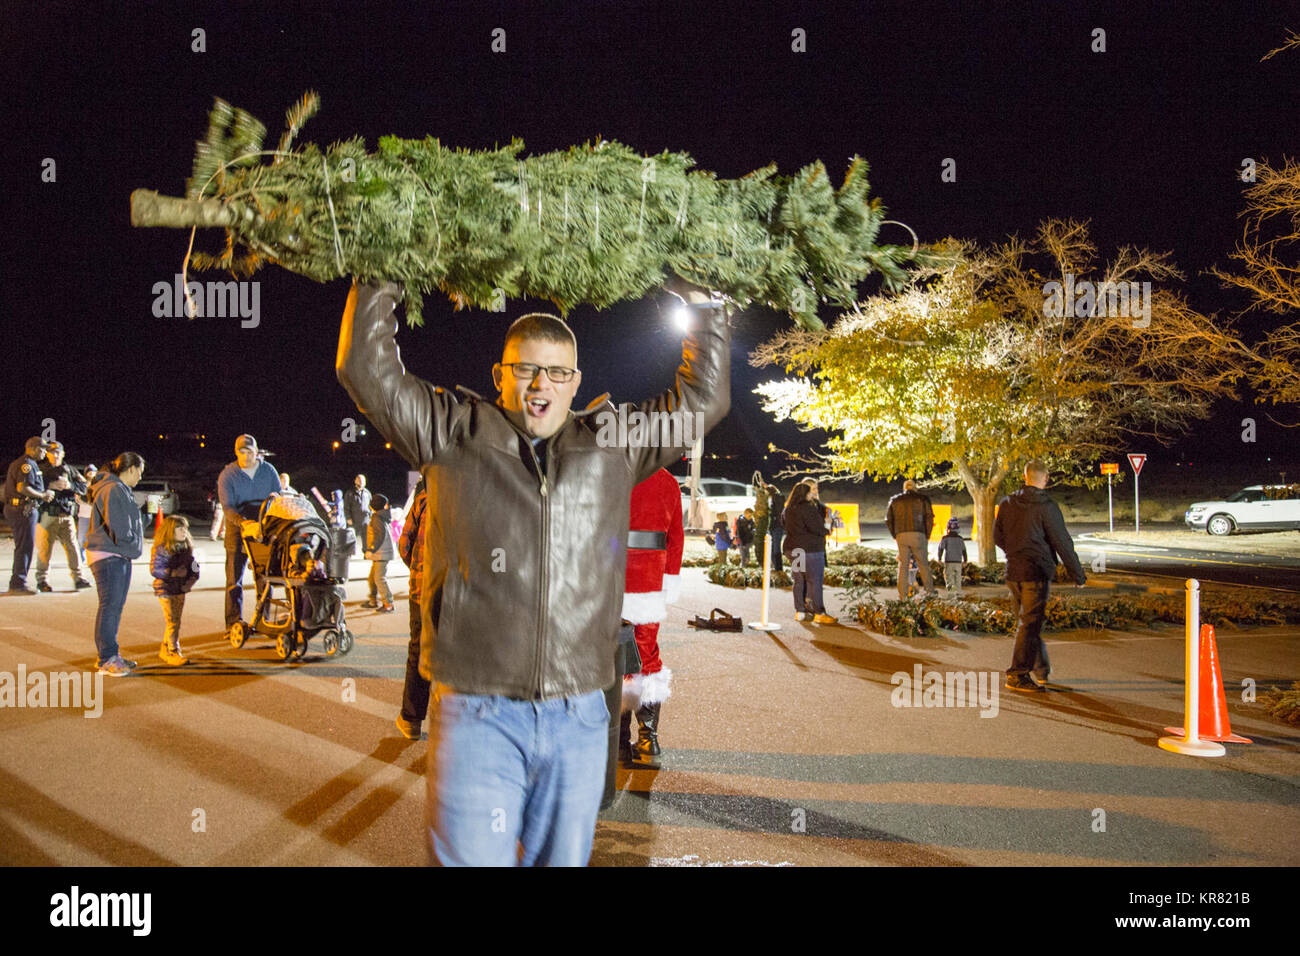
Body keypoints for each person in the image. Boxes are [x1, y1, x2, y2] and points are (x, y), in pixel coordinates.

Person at [336, 273, 728, 867]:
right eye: (525, 369)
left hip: (578, 713)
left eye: (558, 372)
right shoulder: (450, 432)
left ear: (576, 384)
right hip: (476, 709)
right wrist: (385, 269)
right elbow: (366, 371)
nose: (541, 384)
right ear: (500, 376)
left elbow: (702, 402)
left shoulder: (613, 443)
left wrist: (703, 311)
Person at [994, 459, 1087, 692]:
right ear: (1044, 478)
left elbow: (998, 536)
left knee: (1027, 623)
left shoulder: (1007, 502)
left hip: (1013, 570)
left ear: (1025, 477)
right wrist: (1077, 574)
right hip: (1035, 572)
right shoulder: (1047, 506)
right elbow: (1062, 541)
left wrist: (1014, 552)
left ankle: (1040, 667)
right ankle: (1017, 674)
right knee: (1029, 623)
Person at [619, 468, 684, 768]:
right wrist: (669, 578)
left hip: (613, 575)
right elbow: (676, 538)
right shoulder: (667, 481)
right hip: (650, 578)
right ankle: (648, 739)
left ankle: (616, 741)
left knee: (613, 653)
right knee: (645, 652)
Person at [86, 452, 146, 676]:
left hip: (114, 553)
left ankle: (110, 655)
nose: (140, 477)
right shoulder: (114, 489)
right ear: (131, 469)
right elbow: (120, 528)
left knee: (113, 607)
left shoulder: (117, 488)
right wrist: (131, 542)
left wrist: (144, 517)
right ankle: (107, 658)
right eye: (140, 472)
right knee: (110, 608)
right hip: (109, 554)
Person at [218, 434, 281, 634]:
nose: (246, 457)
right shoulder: (228, 475)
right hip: (237, 533)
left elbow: (277, 499)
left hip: (263, 533)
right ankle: (233, 623)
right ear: (236, 453)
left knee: (264, 579)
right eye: (242, 453)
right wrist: (244, 523)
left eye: (250, 452)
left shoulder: (269, 471)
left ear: (257, 452)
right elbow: (227, 507)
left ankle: (264, 620)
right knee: (233, 581)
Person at [395, 478, 431, 739]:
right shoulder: (470, 500)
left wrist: (418, 570)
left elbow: (404, 544)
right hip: (459, 596)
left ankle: (411, 720)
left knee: (418, 652)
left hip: (422, 592)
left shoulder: (423, 501)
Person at [34, 441, 91, 591]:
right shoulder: (40, 470)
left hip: (66, 515)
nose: (55, 455)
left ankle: (79, 578)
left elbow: (84, 487)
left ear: (63, 453)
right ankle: (42, 581)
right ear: (47, 454)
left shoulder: (70, 470)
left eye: (58, 452)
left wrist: (70, 486)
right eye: (52, 452)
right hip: (48, 515)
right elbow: (30, 487)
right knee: (44, 550)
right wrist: (49, 486)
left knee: (73, 548)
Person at [5, 437, 54, 594]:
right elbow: (23, 488)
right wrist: (42, 495)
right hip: (22, 508)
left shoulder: (27, 463)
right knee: (25, 547)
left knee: (23, 546)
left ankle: (18, 581)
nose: (45, 452)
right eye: (43, 448)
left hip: (21, 508)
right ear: (33, 448)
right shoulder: (26, 464)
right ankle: (18, 584)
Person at [783, 482, 835, 624]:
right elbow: (818, 529)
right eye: (810, 492)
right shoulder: (808, 509)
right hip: (811, 549)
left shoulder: (787, 510)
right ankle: (819, 612)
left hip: (794, 549)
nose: (812, 494)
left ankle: (800, 611)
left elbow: (784, 526)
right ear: (805, 494)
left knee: (798, 580)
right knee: (815, 581)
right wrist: (828, 525)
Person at [150, 514, 200, 666]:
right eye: (179, 528)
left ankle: (165, 648)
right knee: (173, 621)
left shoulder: (186, 549)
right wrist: (172, 573)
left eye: (185, 528)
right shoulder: (162, 549)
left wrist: (191, 580)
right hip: (165, 589)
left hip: (180, 588)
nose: (183, 531)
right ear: (170, 531)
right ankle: (173, 651)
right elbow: (155, 569)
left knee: (175, 621)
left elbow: (194, 567)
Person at [886, 479, 937, 600]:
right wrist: (927, 535)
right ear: (915, 488)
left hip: (901, 535)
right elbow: (929, 517)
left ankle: (902, 595)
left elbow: (888, 519)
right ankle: (929, 592)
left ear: (904, 488)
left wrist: (895, 534)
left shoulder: (895, 500)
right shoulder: (923, 499)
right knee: (923, 564)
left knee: (903, 565)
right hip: (918, 534)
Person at [363, 493, 395, 612]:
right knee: (372, 578)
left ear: (372, 506)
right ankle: (373, 601)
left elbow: (379, 536)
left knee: (379, 578)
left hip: (382, 553)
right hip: (381, 553)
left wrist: (371, 549)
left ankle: (388, 604)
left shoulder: (377, 518)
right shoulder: (381, 516)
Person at [935, 517, 968, 596]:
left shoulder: (945, 538)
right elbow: (964, 550)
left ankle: (952, 594)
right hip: (958, 562)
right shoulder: (960, 539)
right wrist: (965, 561)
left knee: (949, 579)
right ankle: (959, 593)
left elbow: (941, 549)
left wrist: (939, 559)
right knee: (958, 578)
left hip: (949, 561)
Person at [344, 475, 371, 557]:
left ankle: (366, 552)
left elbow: (370, 505)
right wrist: (348, 517)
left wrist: (371, 515)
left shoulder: (367, 493)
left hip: (365, 519)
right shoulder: (350, 493)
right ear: (355, 481)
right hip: (354, 518)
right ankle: (350, 553)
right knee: (351, 536)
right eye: (359, 480)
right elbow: (346, 506)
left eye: (363, 481)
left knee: (366, 537)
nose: (361, 482)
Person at [76, 463, 97, 559]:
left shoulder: (98, 485)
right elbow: (77, 499)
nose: (91, 474)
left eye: (93, 472)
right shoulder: (82, 485)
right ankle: (81, 557)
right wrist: (87, 502)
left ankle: (96, 557)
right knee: (81, 539)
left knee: (96, 538)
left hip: (96, 516)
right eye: (89, 472)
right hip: (84, 515)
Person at [768, 484, 785, 572]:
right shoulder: (774, 499)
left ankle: (779, 568)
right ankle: (776, 567)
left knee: (776, 548)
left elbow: (778, 511)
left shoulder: (778, 497)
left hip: (777, 526)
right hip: (773, 527)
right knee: (772, 548)